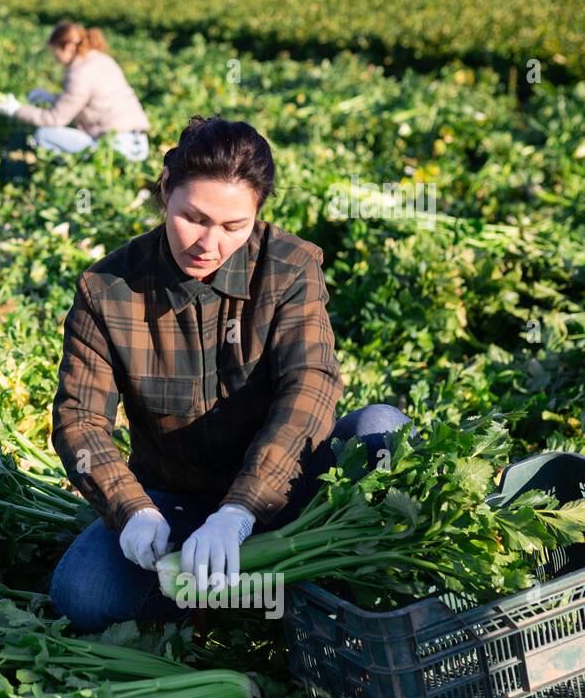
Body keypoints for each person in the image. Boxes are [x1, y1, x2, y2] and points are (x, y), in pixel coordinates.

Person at [48, 115, 412, 633]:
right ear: (165, 191)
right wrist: (131, 509)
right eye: (192, 217)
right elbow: (79, 419)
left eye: (233, 226)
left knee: (383, 429)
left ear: (257, 215)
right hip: (176, 501)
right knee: (83, 595)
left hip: (290, 490)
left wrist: (241, 510)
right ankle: (280, 595)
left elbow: (310, 386)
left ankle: (252, 586)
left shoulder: (288, 267)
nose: (208, 243)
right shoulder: (108, 289)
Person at [0, 21, 151, 162]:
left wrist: (17, 110)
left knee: (44, 135)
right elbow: (86, 101)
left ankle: (75, 178)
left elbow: (55, 118)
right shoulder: (101, 59)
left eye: (56, 53)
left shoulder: (79, 73)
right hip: (139, 145)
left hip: (115, 150)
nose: (56, 59)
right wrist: (51, 98)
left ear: (67, 47)